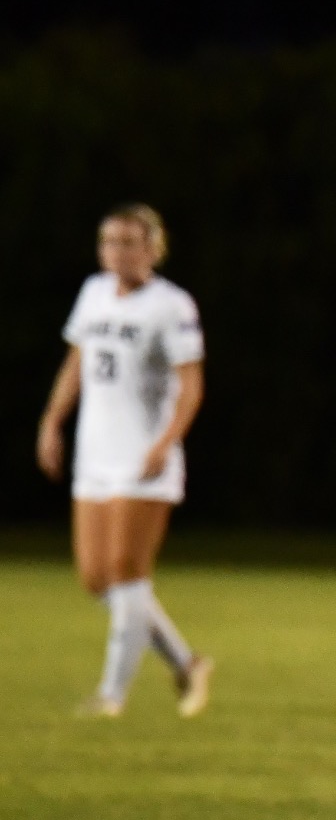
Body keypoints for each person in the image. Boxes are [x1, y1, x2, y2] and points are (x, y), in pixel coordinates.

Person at [36, 204, 215, 717]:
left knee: (128, 571)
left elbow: (191, 384)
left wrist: (166, 442)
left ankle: (111, 695)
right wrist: (51, 420)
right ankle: (187, 664)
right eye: (108, 242)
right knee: (96, 578)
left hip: (143, 458)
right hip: (96, 452)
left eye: (128, 242)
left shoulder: (172, 305)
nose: (116, 251)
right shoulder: (93, 293)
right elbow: (78, 361)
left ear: (153, 249)